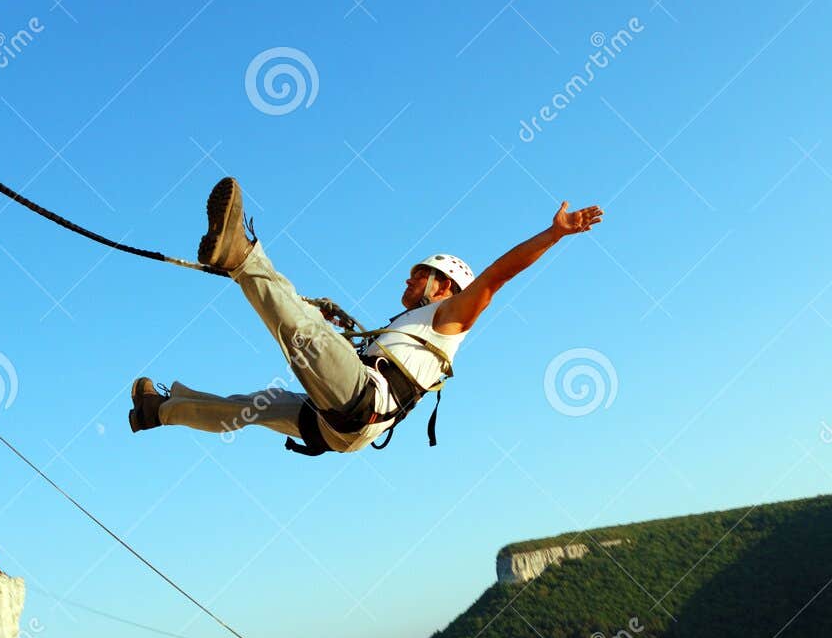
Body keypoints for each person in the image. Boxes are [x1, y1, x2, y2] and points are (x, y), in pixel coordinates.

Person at [129, 178, 602, 456]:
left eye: (420, 276)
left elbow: (498, 276)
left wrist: (553, 234)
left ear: (445, 285)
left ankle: (239, 255)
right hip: (338, 418)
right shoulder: (409, 328)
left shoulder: (451, 316)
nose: (409, 281)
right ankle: (160, 412)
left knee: (305, 331)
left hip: (359, 404)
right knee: (250, 405)